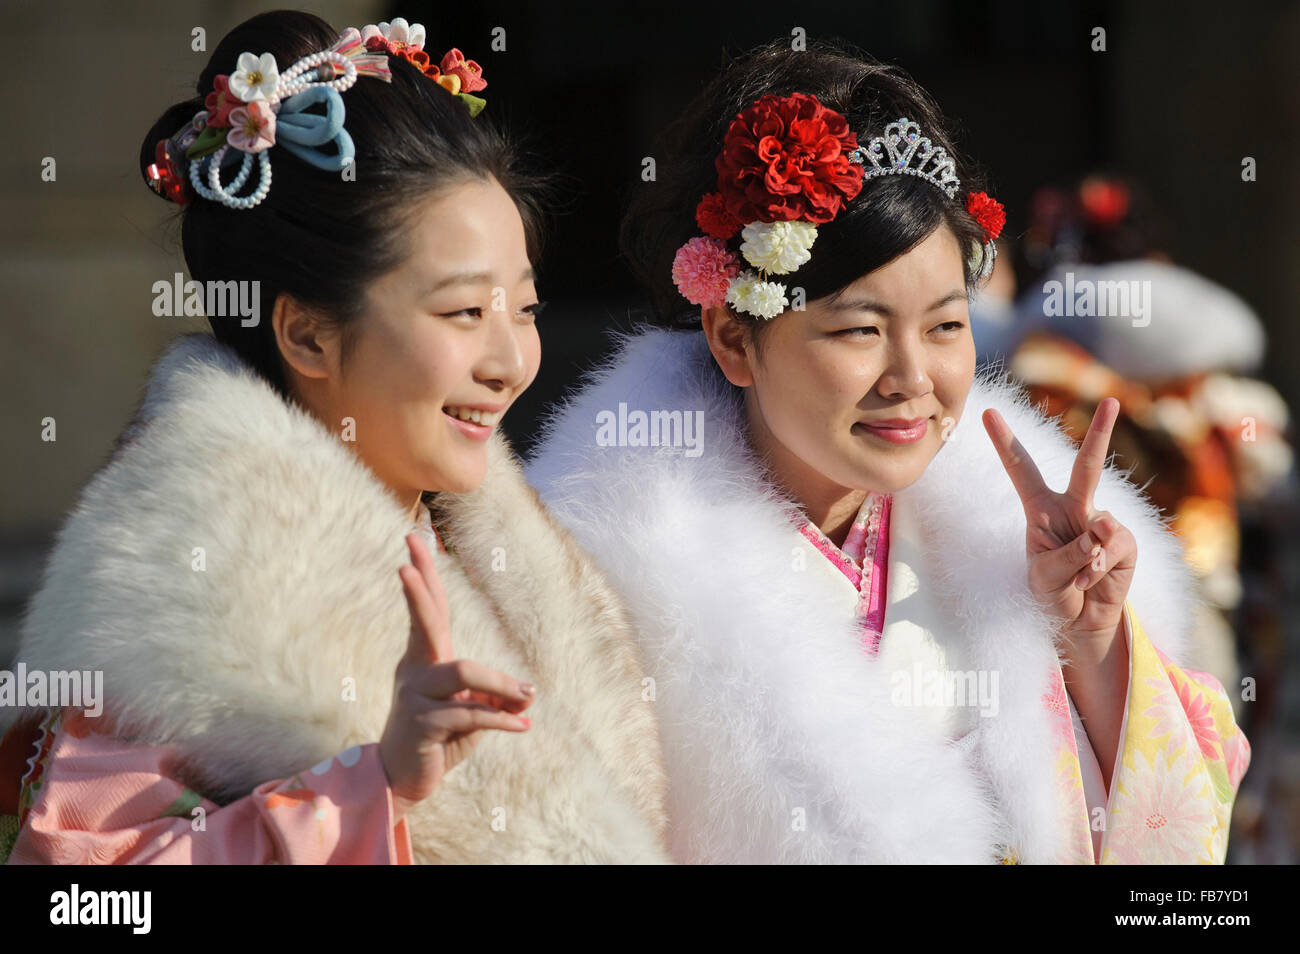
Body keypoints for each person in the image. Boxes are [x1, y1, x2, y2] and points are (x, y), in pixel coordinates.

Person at [525, 40, 1249, 864]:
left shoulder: (1008, 551)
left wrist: (1092, 646)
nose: (913, 378)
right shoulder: (612, 583)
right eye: (860, 329)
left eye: (946, 325)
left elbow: (1185, 841)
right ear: (733, 337)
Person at [0, 11, 668, 865]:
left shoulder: (497, 546)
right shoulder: (183, 583)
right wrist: (371, 784)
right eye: (464, 312)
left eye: (526, 309)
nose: (511, 361)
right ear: (308, 335)